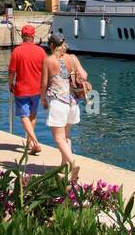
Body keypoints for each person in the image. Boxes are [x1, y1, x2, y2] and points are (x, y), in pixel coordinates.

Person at [40, 33, 88, 180]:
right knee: (66, 136)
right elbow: (84, 76)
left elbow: (44, 83)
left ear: (52, 45)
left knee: (59, 138)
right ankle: (63, 165)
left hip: (58, 102)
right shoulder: (72, 58)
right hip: (72, 102)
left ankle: (73, 164)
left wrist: (43, 99)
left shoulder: (49, 60)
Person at [7, 23, 45, 154]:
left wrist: (9, 83)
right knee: (32, 116)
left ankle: (35, 142)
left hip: (22, 89)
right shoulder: (41, 51)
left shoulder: (17, 51)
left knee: (24, 116)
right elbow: (45, 70)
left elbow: (11, 71)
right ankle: (29, 144)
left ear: (22, 36)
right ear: (33, 36)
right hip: (37, 89)